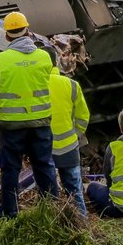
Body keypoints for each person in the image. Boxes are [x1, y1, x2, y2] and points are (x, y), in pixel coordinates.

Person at [0, 11, 59, 218]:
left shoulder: (1, 59)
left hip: (12, 125)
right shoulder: (44, 56)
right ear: (28, 31)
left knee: (10, 169)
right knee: (44, 165)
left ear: (6, 36)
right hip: (40, 123)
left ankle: (10, 212)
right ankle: (52, 210)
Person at [49, 55, 90, 218]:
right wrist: (77, 135)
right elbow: (83, 115)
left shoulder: (36, 85)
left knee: (49, 196)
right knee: (75, 192)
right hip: (69, 147)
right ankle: (83, 226)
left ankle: (50, 229)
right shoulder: (72, 85)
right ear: (56, 63)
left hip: (46, 148)